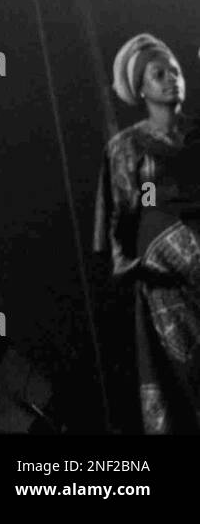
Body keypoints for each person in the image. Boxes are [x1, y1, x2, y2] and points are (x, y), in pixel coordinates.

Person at [94, 32, 200, 433]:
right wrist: (136, 263)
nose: (172, 78)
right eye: (159, 73)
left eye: (175, 70)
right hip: (172, 292)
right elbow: (116, 229)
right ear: (140, 87)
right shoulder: (126, 148)